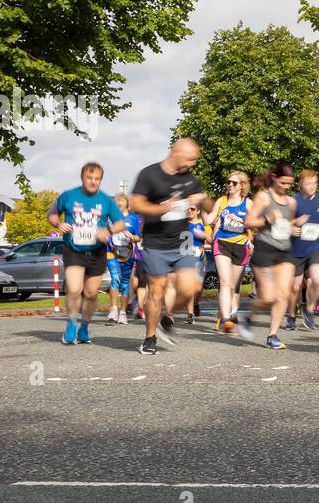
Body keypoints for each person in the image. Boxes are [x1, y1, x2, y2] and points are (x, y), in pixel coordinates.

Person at [129, 137, 214, 355]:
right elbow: (135, 203)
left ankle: (166, 319)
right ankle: (150, 337)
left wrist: (203, 199)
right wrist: (161, 209)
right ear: (175, 152)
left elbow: (209, 209)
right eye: (190, 159)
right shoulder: (150, 175)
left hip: (182, 240)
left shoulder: (190, 180)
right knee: (156, 291)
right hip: (156, 242)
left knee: (190, 289)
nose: (192, 164)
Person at [48, 162, 128, 345]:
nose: (93, 182)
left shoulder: (106, 200)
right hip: (73, 249)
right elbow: (52, 214)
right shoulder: (68, 196)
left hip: (97, 251)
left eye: (97, 179)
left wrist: (107, 231)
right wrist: (58, 224)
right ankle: (70, 324)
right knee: (75, 289)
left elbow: (121, 223)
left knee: (91, 293)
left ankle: (84, 327)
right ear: (82, 178)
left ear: (101, 180)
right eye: (89, 178)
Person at [239, 163, 298, 350]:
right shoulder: (263, 197)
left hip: (284, 250)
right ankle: (248, 318)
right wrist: (266, 220)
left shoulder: (291, 202)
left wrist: (293, 228)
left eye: (290, 183)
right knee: (268, 296)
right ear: (274, 177)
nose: (287, 187)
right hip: (265, 248)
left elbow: (286, 224)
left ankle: (272, 335)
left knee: (283, 293)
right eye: (283, 182)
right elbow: (249, 222)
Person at [207, 171, 253, 333]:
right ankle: (226, 319)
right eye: (228, 182)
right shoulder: (221, 200)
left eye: (234, 183)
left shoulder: (248, 203)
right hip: (222, 243)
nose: (230, 185)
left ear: (242, 186)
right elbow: (210, 219)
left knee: (233, 285)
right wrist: (202, 207)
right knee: (225, 282)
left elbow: (254, 224)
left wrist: (240, 220)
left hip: (241, 246)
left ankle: (230, 312)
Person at [288, 170, 319, 331]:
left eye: (315, 183)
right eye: (309, 183)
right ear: (301, 184)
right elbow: (284, 222)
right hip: (296, 249)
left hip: (316, 248)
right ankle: (291, 316)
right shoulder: (294, 200)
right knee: (294, 287)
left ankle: (309, 310)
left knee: (317, 279)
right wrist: (293, 226)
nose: (312, 186)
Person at [106, 194, 137, 325]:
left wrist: (131, 236)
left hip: (127, 253)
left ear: (126, 203)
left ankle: (123, 312)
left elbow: (138, 237)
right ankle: (113, 309)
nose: (118, 202)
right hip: (111, 252)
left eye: (121, 200)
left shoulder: (133, 219)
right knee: (115, 278)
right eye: (116, 201)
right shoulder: (110, 218)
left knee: (125, 283)